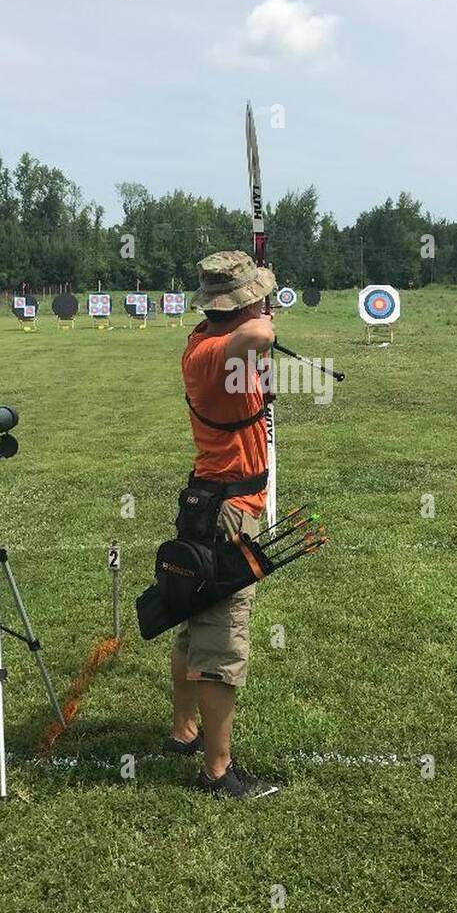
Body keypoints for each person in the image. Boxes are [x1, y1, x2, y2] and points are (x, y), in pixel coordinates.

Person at [164, 250, 280, 798]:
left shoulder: (203, 338)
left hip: (211, 503)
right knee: (221, 639)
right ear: (239, 304)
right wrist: (263, 309)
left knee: (192, 619)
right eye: (254, 295)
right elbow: (254, 335)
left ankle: (184, 730)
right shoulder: (210, 351)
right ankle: (218, 772)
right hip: (228, 516)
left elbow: (250, 344)